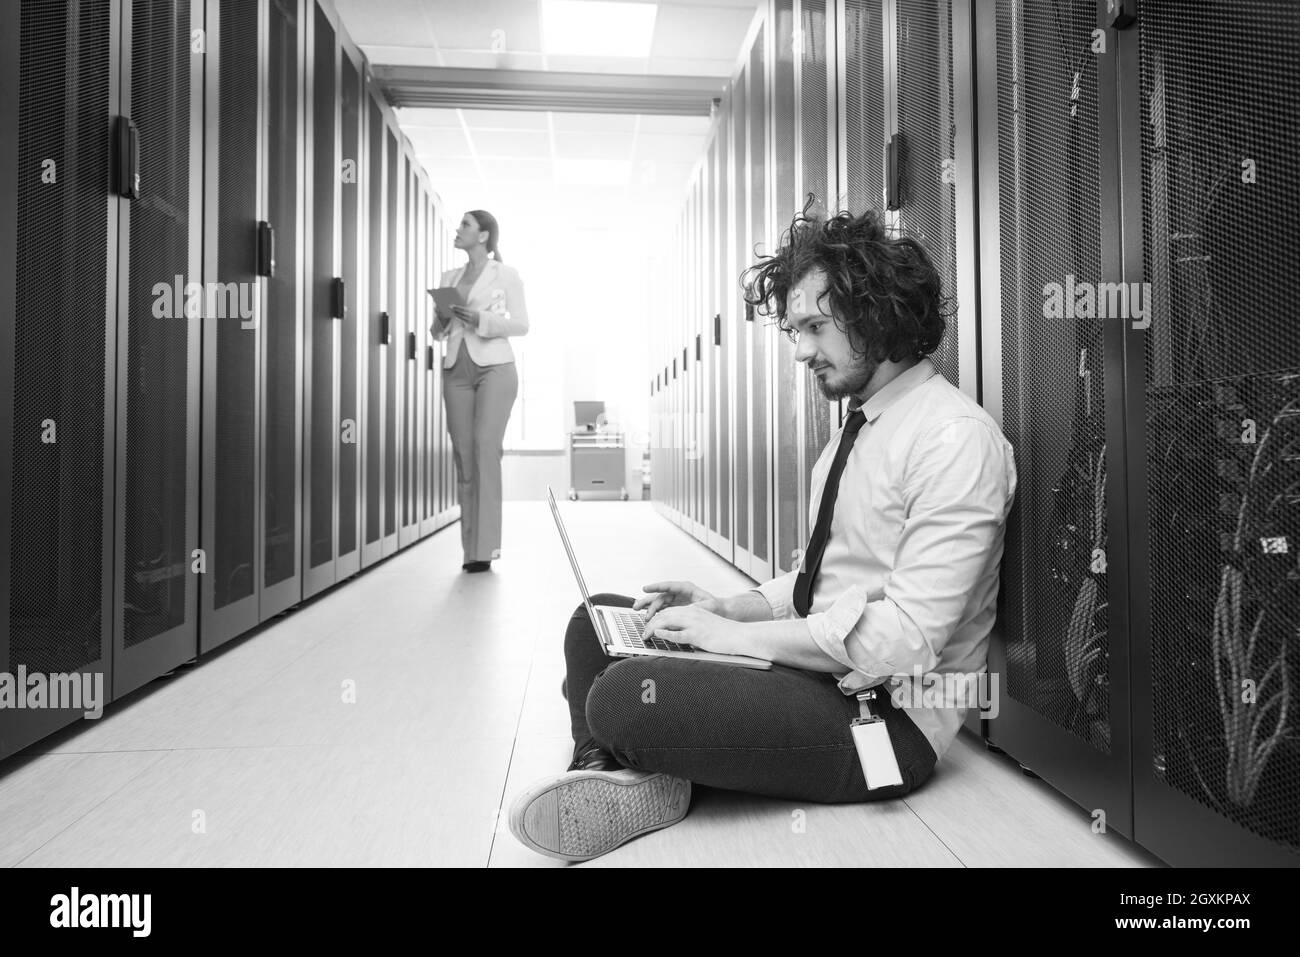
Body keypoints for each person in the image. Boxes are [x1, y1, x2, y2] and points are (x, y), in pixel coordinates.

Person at [507, 202, 1018, 863]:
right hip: (813, 673)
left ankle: (627, 757)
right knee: (598, 620)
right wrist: (724, 608)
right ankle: (614, 774)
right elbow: (817, 583)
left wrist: (736, 639)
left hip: (885, 724)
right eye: (794, 330)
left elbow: (906, 641)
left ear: (878, 312)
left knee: (624, 693)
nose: (801, 349)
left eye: (813, 326)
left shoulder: (955, 440)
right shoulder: (851, 433)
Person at [432, 210, 529, 573]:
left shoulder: (506, 275)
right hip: (457, 368)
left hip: (495, 368)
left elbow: (521, 324)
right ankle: (469, 550)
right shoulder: (449, 278)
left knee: (486, 450)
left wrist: (482, 320)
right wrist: (443, 317)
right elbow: (438, 332)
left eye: (466, 225)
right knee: (464, 455)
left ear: (484, 235)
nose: (458, 230)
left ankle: (485, 550)